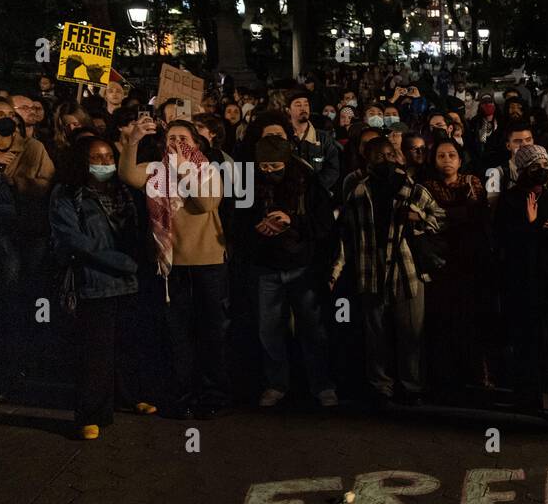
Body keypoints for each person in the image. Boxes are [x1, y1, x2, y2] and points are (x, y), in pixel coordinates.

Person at [120, 116, 230, 419]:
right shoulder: (156, 171)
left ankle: (212, 395)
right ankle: (182, 395)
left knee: (210, 331)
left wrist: (183, 168)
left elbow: (205, 203)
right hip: (172, 264)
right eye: (172, 138)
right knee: (177, 334)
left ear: (197, 143)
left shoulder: (209, 171)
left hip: (207, 262)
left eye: (184, 138)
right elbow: (129, 174)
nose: (177, 144)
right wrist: (132, 142)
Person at [49, 137, 158, 438]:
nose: (104, 163)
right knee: (96, 351)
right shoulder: (68, 194)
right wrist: (120, 261)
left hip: (128, 281)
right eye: (96, 158)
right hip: (95, 281)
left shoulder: (124, 191)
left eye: (109, 156)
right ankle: (91, 413)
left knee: (127, 343)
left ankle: (129, 396)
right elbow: (73, 240)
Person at [329, 136, 444, 407]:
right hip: (370, 268)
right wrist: (337, 269)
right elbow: (346, 234)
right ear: (367, 160)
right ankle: (381, 386)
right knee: (376, 334)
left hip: (407, 268)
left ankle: (411, 385)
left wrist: (421, 218)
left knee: (411, 332)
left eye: (390, 155)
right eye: (378, 156)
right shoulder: (358, 193)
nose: (386, 161)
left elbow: (439, 217)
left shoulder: (413, 190)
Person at [242, 135, 337, 409]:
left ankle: (322, 384)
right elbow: (240, 218)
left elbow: (324, 224)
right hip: (265, 266)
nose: (269, 172)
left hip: (302, 266)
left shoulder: (307, 181)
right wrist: (258, 228)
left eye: (275, 166)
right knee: (268, 330)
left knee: (312, 329)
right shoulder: (249, 180)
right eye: (264, 167)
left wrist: (291, 220)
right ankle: (276, 383)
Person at [494, 144, 548, 419]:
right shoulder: (509, 200)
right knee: (525, 337)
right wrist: (530, 226)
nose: (541, 171)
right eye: (535, 167)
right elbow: (505, 240)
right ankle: (530, 395)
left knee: (546, 334)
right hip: (522, 278)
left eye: (545, 166)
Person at [420, 137, 491, 397]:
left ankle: (476, 375)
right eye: (441, 155)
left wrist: (442, 215)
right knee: (442, 322)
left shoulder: (472, 183)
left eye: (452, 155)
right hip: (440, 263)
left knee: (471, 320)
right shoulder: (426, 187)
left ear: (460, 160)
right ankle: (443, 379)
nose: (447, 160)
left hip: (469, 261)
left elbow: (476, 214)